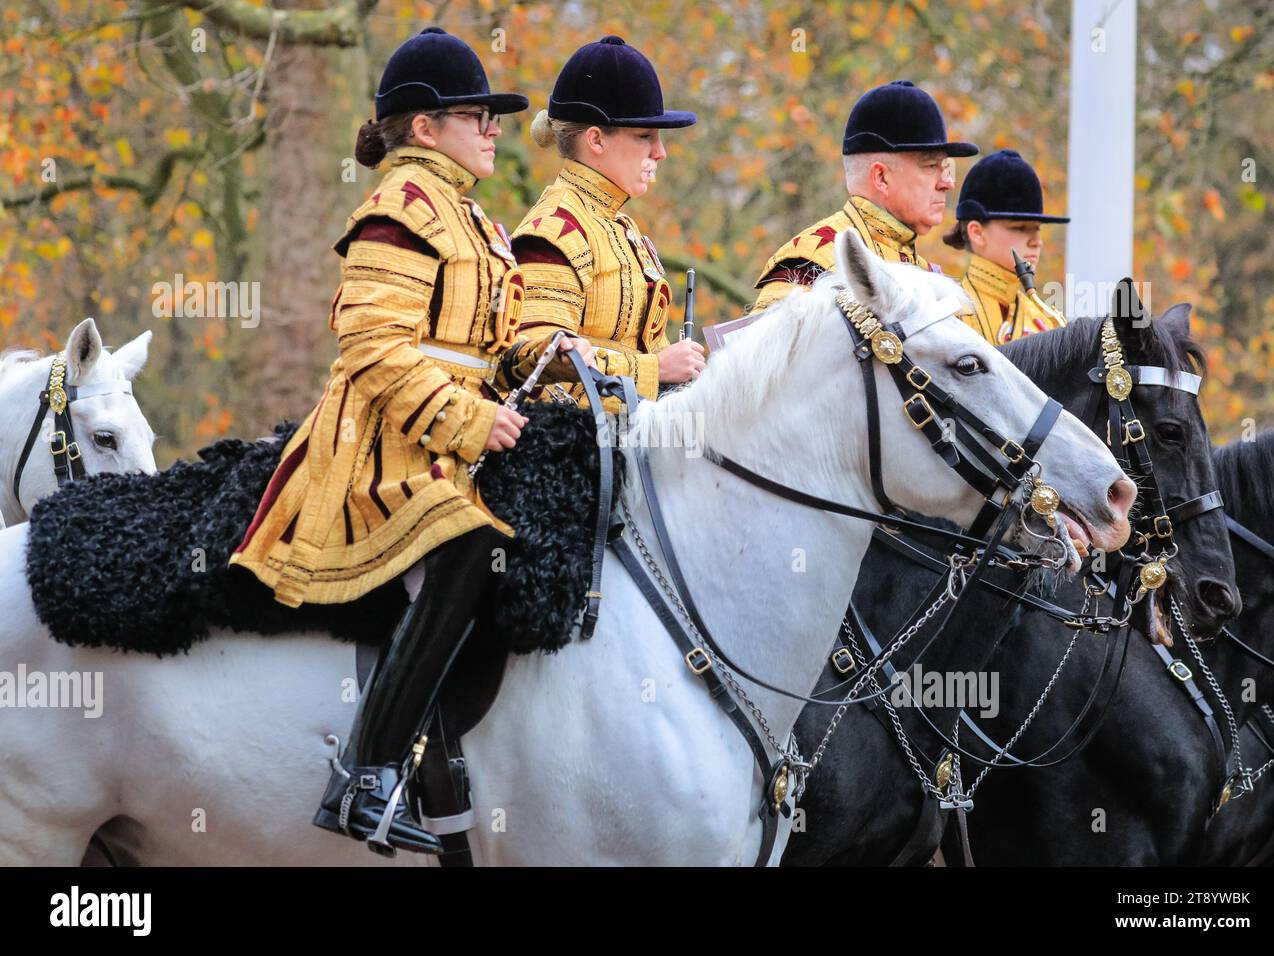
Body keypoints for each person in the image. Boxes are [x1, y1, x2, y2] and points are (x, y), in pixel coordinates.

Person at [228, 27, 560, 855]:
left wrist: (558, 358)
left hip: (455, 445)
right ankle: (365, 773)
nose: (493, 130)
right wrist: (469, 418)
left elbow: (490, 340)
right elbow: (373, 351)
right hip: (380, 453)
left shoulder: (472, 216)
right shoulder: (398, 210)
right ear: (424, 127)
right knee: (465, 552)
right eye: (477, 116)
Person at [502, 35, 707, 406]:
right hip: (577, 455)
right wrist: (654, 370)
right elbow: (539, 365)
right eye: (645, 136)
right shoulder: (554, 230)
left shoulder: (623, 227)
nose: (660, 152)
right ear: (596, 140)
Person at [751, 80, 978, 311]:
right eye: (931, 166)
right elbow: (765, 347)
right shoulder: (810, 265)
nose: (948, 183)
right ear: (881, 178)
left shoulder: (928, 275)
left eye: (947, 167)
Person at [942, 148, 1069, 344]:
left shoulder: (1047, 321)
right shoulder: (945, 316)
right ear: (976, 232)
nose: (1036, 241)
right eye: (1019, 228)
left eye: (1037, 229)